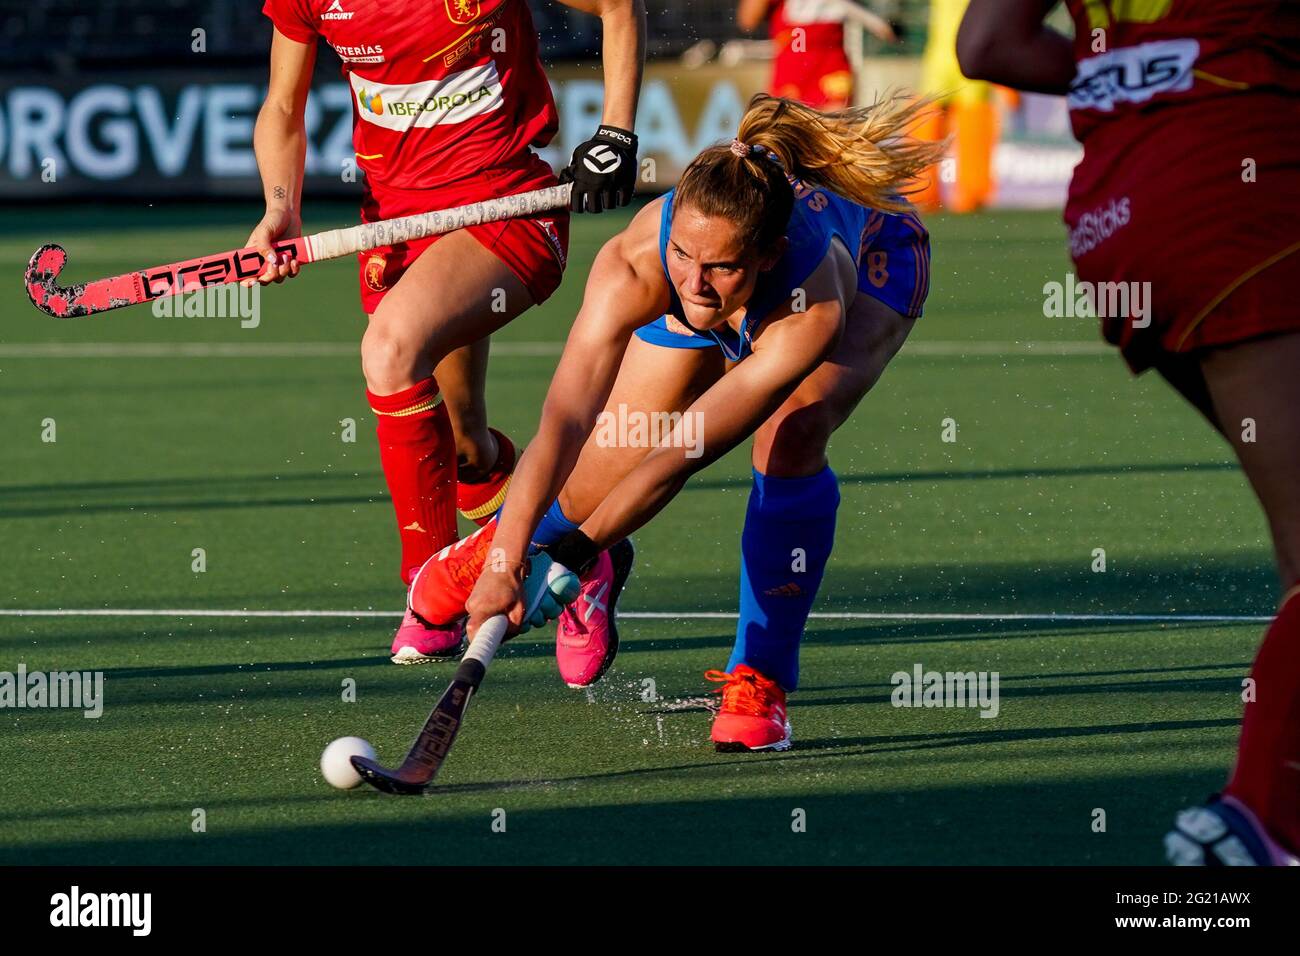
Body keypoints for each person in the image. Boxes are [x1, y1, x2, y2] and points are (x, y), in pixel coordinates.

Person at [413, 94, 939, 750]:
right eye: (686, 255)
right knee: (601, 464)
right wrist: (507, 556)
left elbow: (680, 454)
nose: (696, 283)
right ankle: (501, 542)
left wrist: (572, 557)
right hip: (738, 272)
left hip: (874, 258)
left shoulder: (811, 309)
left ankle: (761, 678)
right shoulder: (640, 261)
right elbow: (565, 420)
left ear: (767, 257)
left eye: (721, 266)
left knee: (790, 436)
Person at [957, 0, 1300, 864]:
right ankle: (1255, 822)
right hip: (1238, 179)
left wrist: (1147, 70)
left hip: (1121, 209)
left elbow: (988, 42)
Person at [249, 0, 646, 664]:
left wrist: (616, 134)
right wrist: (279, 210)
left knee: (390, 348)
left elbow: (616, 5)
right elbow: (283, 108)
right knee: (464, 451)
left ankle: (427, 591)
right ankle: (578, 557)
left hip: (508, 207)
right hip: (399, 225)